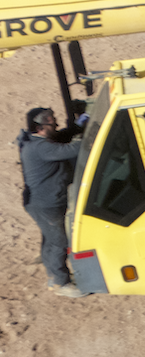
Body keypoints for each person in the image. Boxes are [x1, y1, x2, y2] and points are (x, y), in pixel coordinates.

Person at [15, 107, 84, 297]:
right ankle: (61, 283)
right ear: (41, 128)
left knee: (50, 238)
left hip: (44, 203)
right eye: (52, 123)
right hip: (46, 205)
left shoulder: (37, 142)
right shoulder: (42, 148)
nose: (57, 125)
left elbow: (61, 137)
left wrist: (77, 127)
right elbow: (73, 149)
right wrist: (93, 136)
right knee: (59, 242)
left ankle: (53, 276)